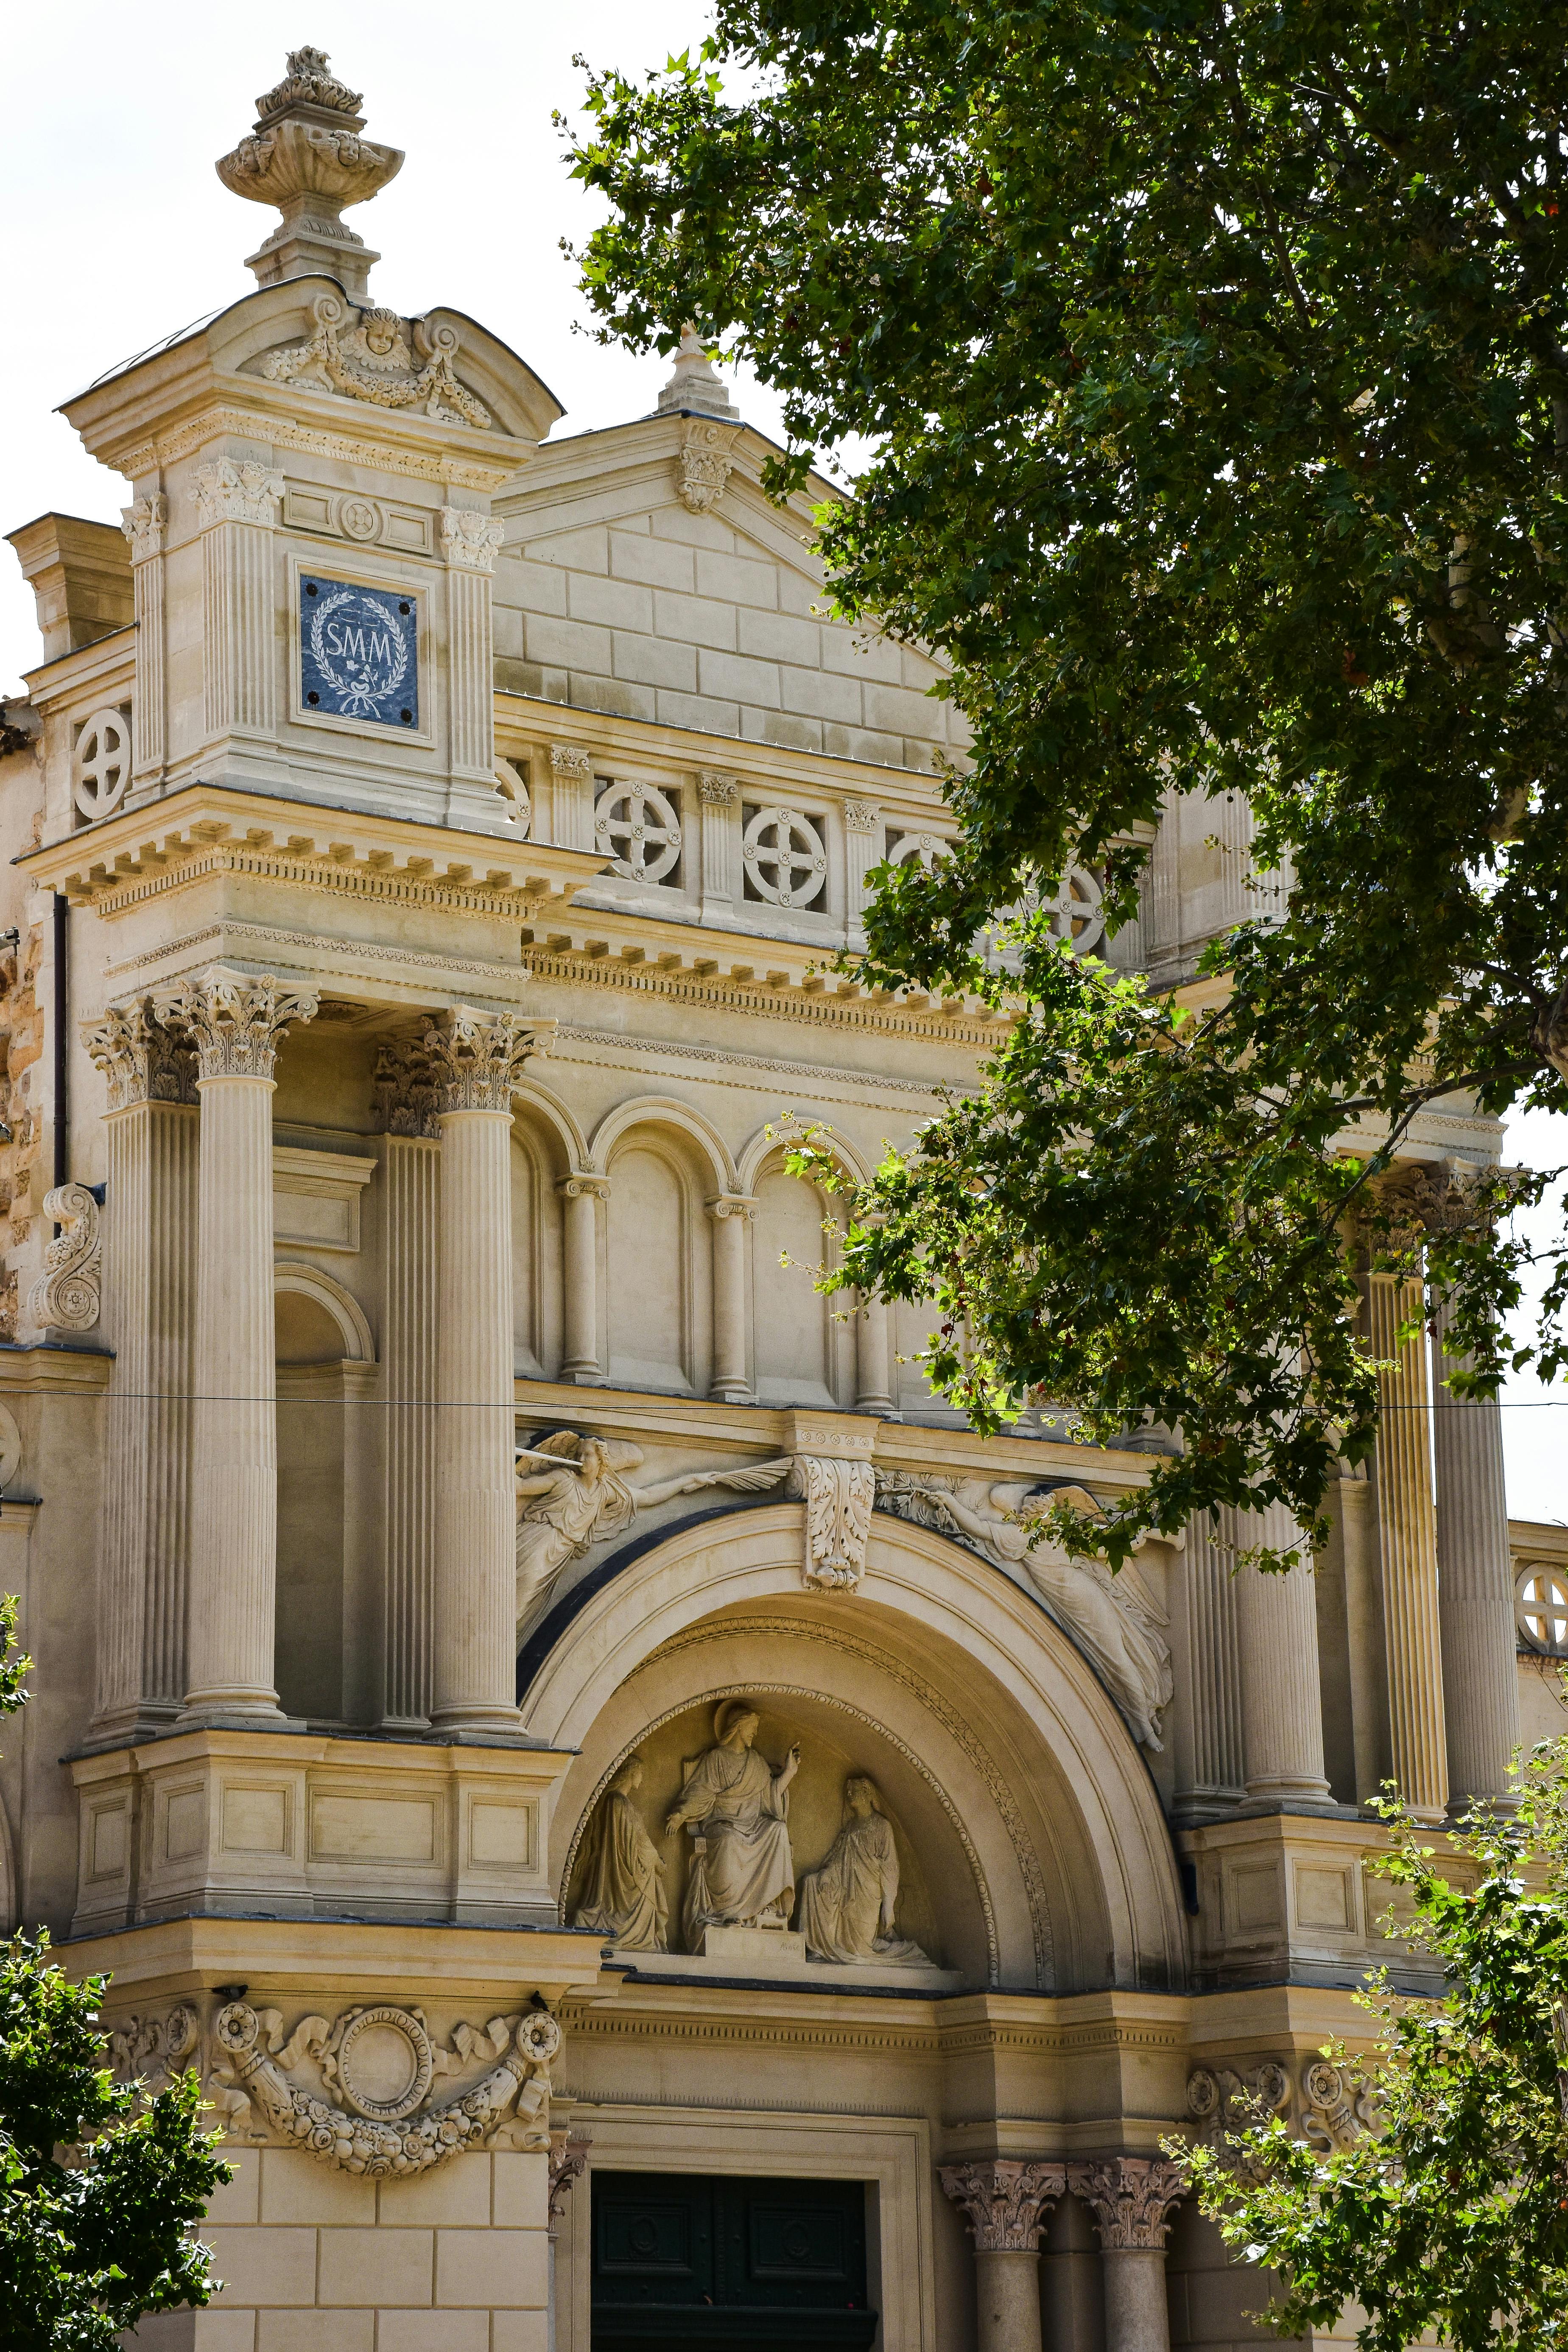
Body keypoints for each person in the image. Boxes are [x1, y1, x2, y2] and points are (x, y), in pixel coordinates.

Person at [665, 1701, 798, 1948]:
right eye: (752, 1728)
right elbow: (701, 1790)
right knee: (729, 1841)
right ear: (738, 1726)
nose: (755, 1733)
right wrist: (681, 1814)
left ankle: (765, 1906)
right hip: (722, 1823)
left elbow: (769, 1795)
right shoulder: (716, 1759)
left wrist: (789, 1772)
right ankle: (727, 1913)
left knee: (778, 1830)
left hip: (753, 1824)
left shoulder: (756, 1762)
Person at [796, 1777, 931, 1966]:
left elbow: (890, 1867)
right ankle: (820, 1948)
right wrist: (828, 1872)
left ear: (868, 1794)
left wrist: (888, 1905)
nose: (850, 1795)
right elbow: (839, 1857)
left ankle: (892, 1949)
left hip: (868, 1892)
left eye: (855, 1791)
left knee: (860, 1950)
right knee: (811, 1882)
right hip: (846, 1887)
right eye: (848, 1792)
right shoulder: (851, 1827)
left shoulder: (882, 1826)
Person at [569, 1753, 667, 1952]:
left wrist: (654, 1858)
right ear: (631, 1773)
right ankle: (637, 1937)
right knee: (650, 1878)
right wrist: (656, 1861)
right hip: (623, 1870)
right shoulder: (618, 1802)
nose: (642, 1778)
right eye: (640, 1773)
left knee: (651, 1874)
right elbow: (633, 1842)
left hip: (626, 1865)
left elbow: (636, 1840)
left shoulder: (619, 1802)